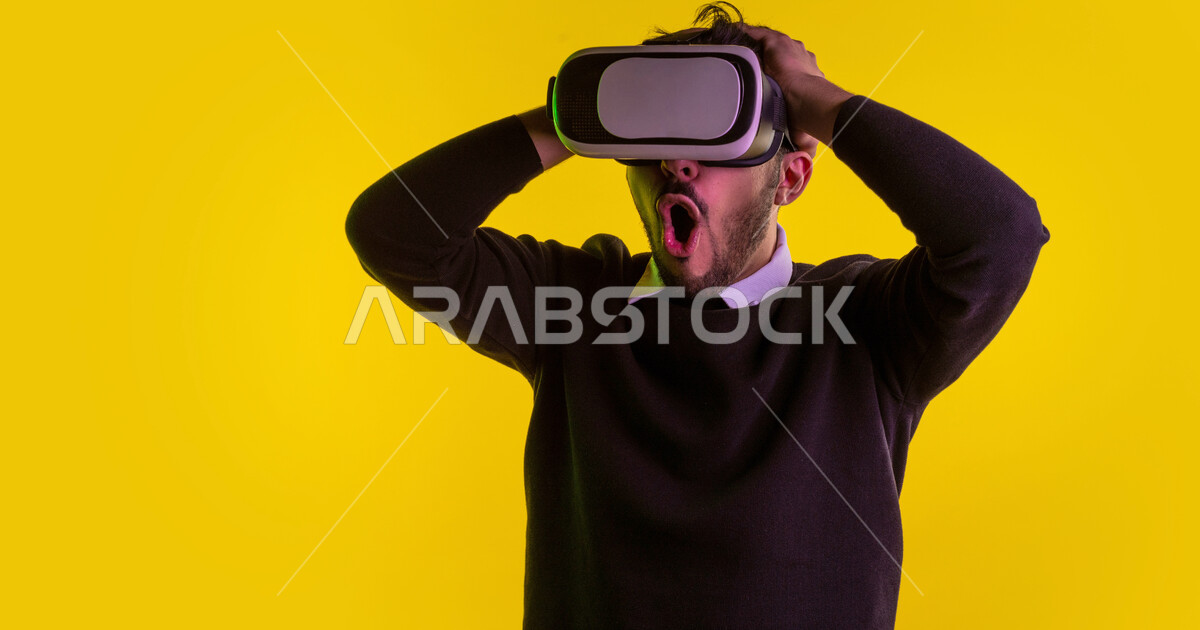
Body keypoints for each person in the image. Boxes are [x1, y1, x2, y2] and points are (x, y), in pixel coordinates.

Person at [345, 4, 1049, 628]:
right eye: (654, 132)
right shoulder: (570, 308)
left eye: (716, 133)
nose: (678, 162)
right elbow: (392, 233)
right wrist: (578, 111)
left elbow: (1000, 237)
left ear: (792, 177)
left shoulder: (868, 325)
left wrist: (808, 96)